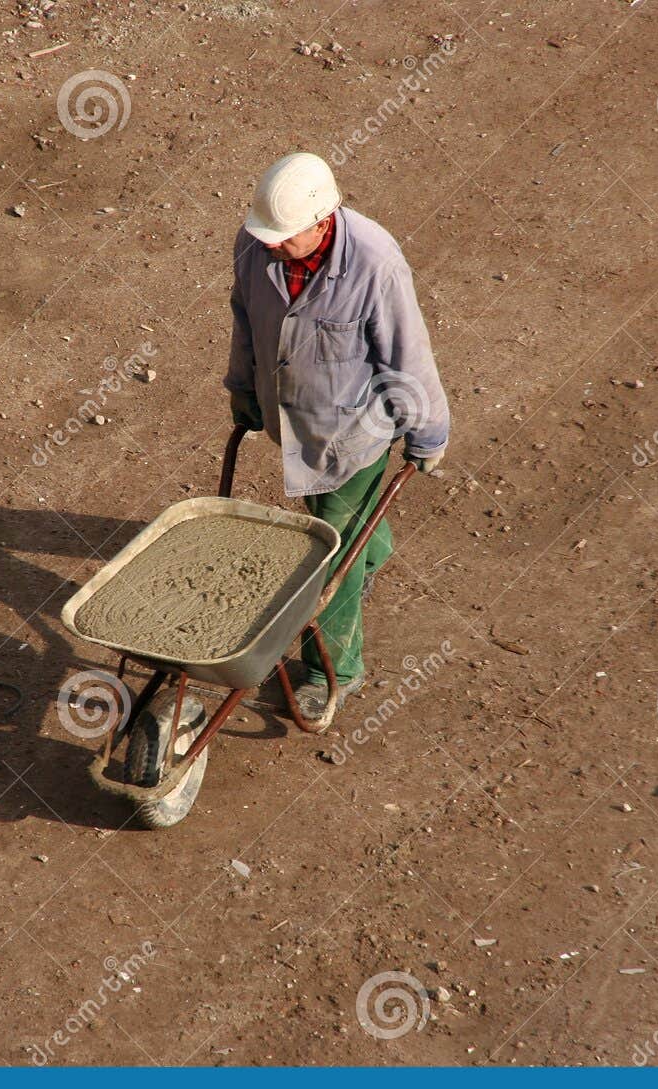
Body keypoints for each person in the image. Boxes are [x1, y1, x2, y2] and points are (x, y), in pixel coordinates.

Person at [223, 152, 449, 715]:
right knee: (346, 527)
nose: (271, 245)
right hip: (291, 419)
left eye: (285, 237)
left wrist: (428, 433)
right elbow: (244, 318)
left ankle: (333, 672)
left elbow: (408, 354)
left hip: (354, 433)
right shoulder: (256, 245)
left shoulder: (376, 263)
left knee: (327, 553)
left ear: (323, 221)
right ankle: (374, 550)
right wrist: (243, 389)